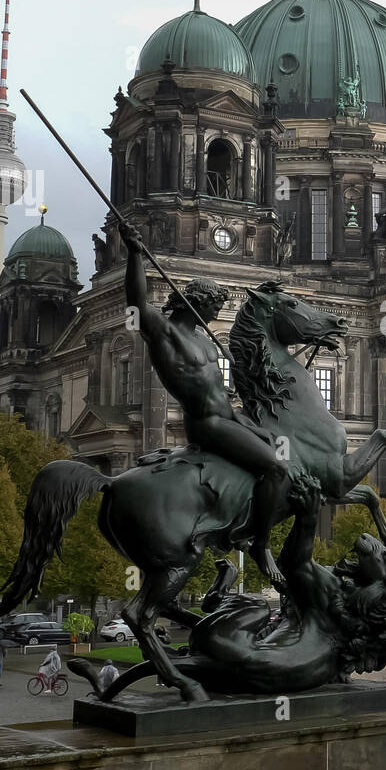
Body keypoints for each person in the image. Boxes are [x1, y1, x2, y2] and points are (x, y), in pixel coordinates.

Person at [119, 221, 296, 589]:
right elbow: (136, 302)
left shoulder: (203, 337)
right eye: (215, 305)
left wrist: (253, 423)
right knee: (276, 469)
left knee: (285, 450)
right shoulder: (165, 332)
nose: (217, 312)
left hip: (228, 416)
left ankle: (241, 521)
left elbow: (224, 390)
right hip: (208, 424)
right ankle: (261, 546)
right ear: (198, 302)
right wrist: (136, 253)